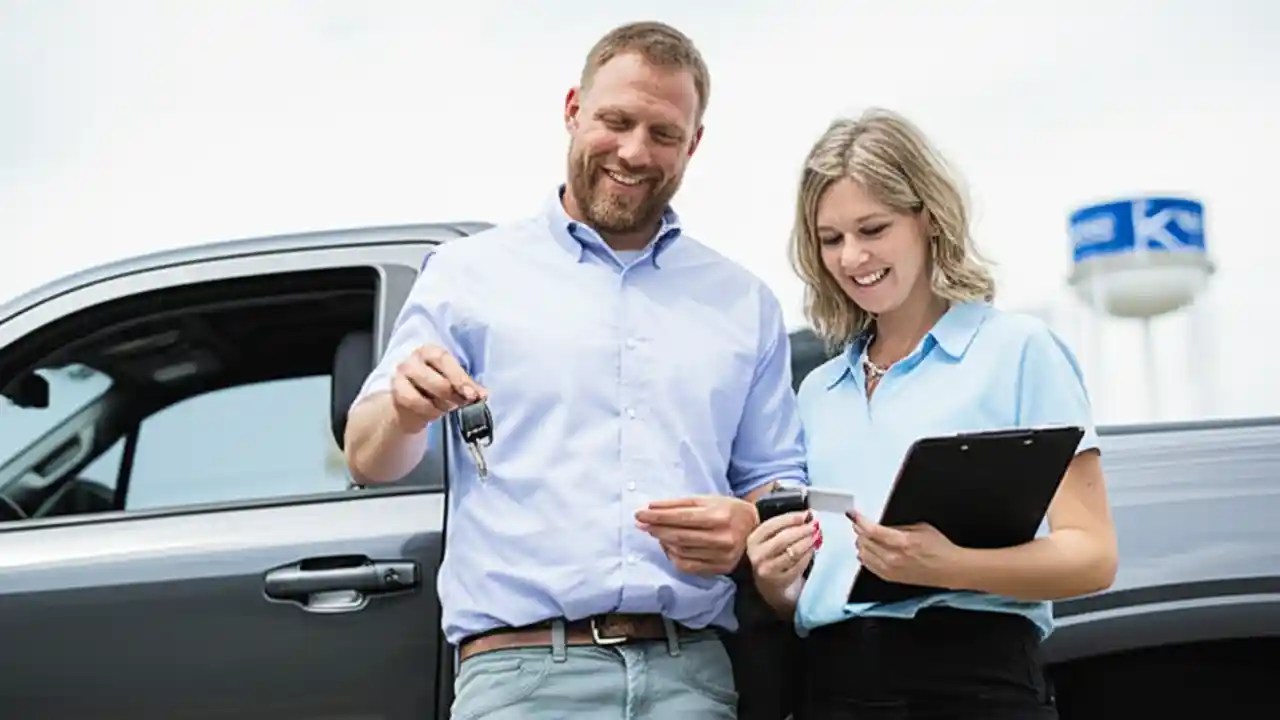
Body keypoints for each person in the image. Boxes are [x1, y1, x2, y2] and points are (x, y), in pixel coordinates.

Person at [343, 20, 807, 720]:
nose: (634, 151)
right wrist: (406, 411)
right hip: (521, 676)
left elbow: (780, 489)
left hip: (692, 677)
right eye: (616, 121)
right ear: (571, 109)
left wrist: (750, 522)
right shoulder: (468, 277)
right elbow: (368, 455)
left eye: (663, 134)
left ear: (695, 143)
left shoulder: (744, 303)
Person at [745, 108, 1119, 719]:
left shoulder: (1019, 351)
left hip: (973, 687)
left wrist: (952, 566)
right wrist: (776, 581)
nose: (852, 257)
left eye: (873, 228)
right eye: (831, 238)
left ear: (927, 219)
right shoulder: (816, 392)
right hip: (829, 691)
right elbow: (808, 594)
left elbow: (1093, 555)